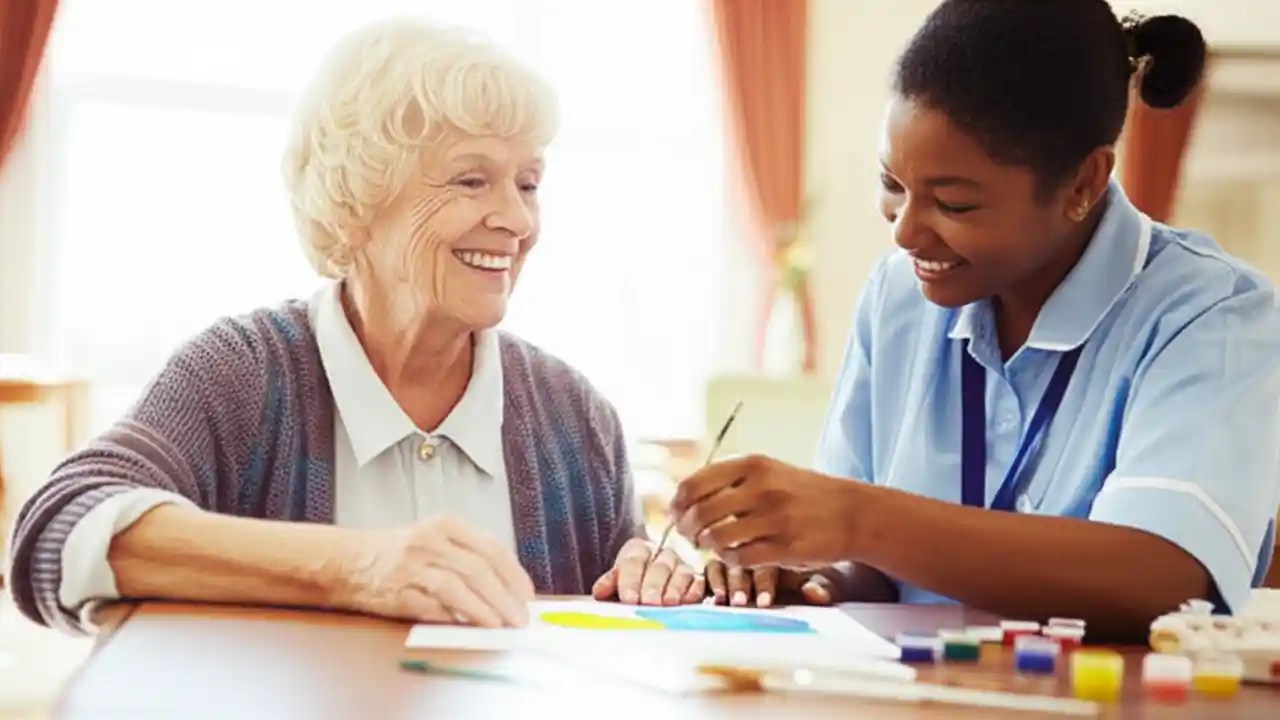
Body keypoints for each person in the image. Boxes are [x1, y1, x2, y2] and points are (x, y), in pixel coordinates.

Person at [7, 19, 702, 634]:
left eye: (527, 183)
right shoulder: (245, 375)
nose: (518, 222)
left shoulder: (575, 419)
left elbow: (616, 632)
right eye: (470, 181)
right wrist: (356, 567)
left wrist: (653, 582)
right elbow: (54, 531)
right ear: (357, 202)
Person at [670, 0, 1280, 640]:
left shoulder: (1211, 314)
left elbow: (1164, 575)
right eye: (891, 184)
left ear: (1083, 183)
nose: (905, 232)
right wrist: (812, 571)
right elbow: (868, 564)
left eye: (953, 203)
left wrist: (856, 520)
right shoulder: (897, 296)